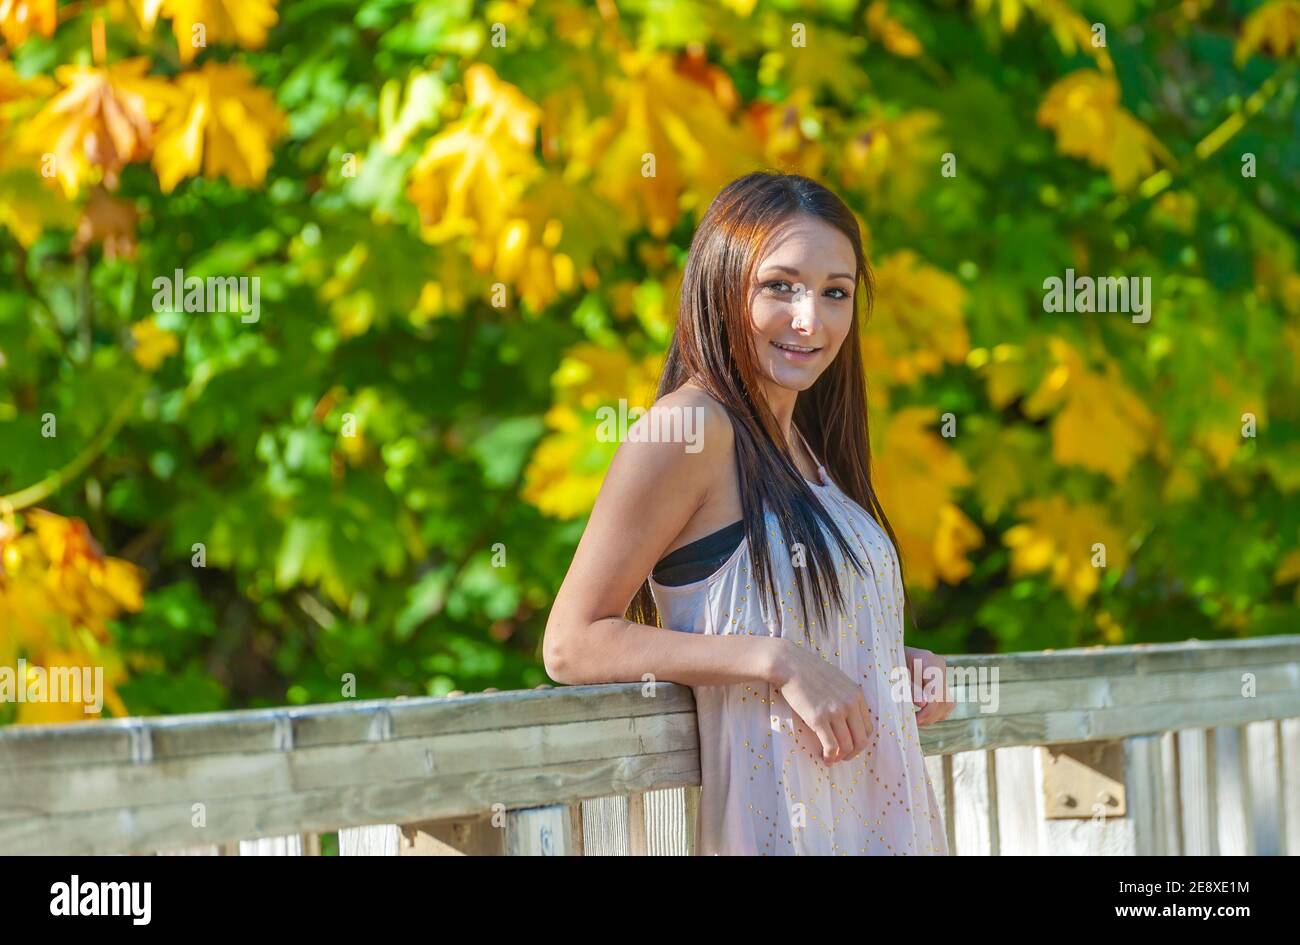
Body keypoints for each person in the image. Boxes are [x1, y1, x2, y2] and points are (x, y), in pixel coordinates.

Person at [543, 170, 953, 855]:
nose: (809, 319)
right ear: (723, 283)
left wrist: (885, 660)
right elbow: (571, 642)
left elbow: (767, 610)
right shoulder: (689, 430)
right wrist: (776, 660)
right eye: (780, 286)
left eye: (835, 294)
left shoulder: (809, 449)